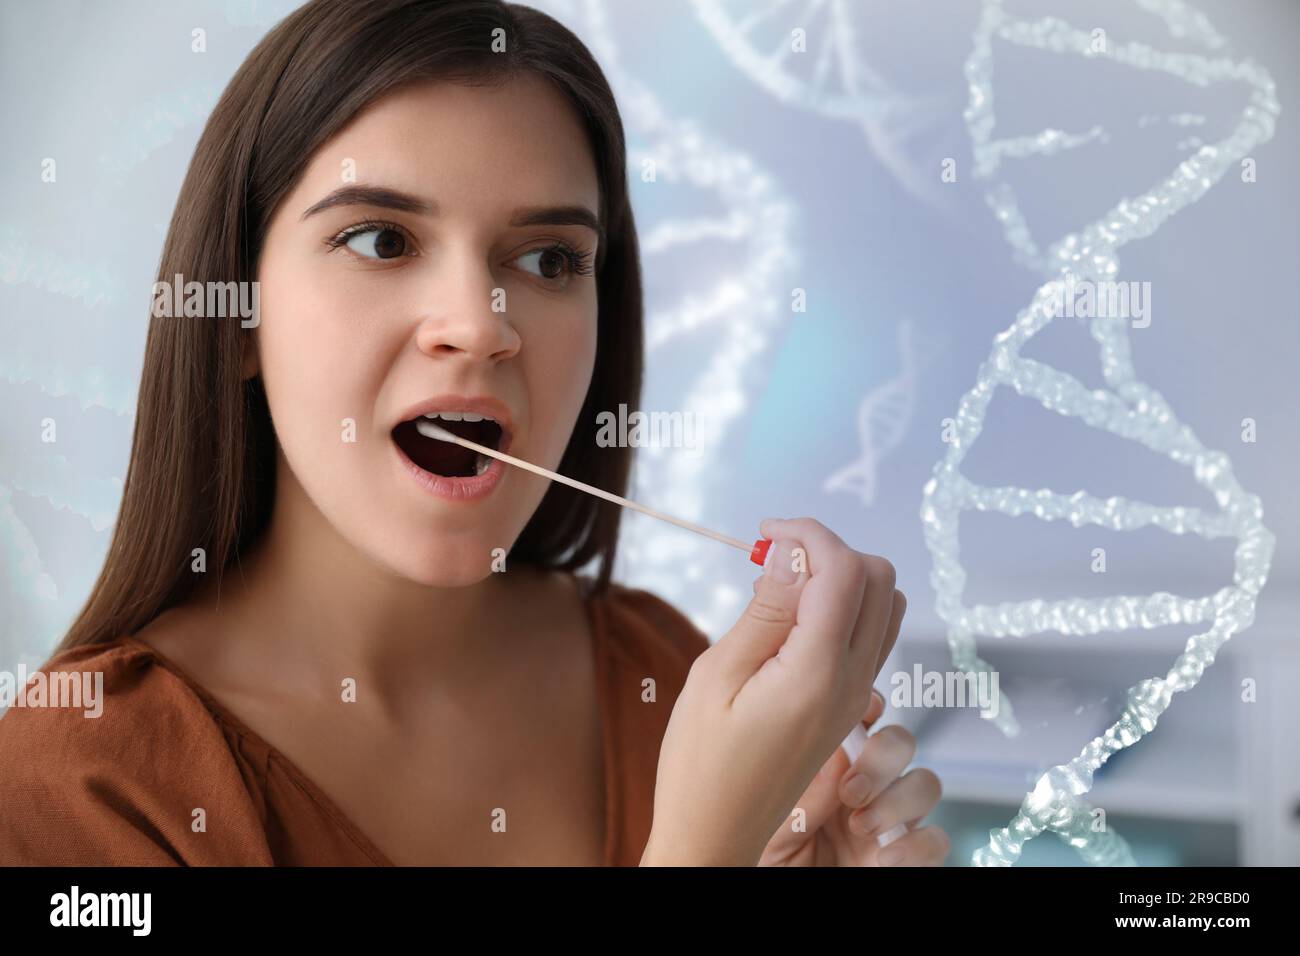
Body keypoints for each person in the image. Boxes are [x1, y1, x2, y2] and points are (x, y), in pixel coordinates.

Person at [0, 0, 946, 867]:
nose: (483, 322)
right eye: (382, 239)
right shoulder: (80, 783)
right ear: (239, 315)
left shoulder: (666, 674)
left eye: (547, 258)